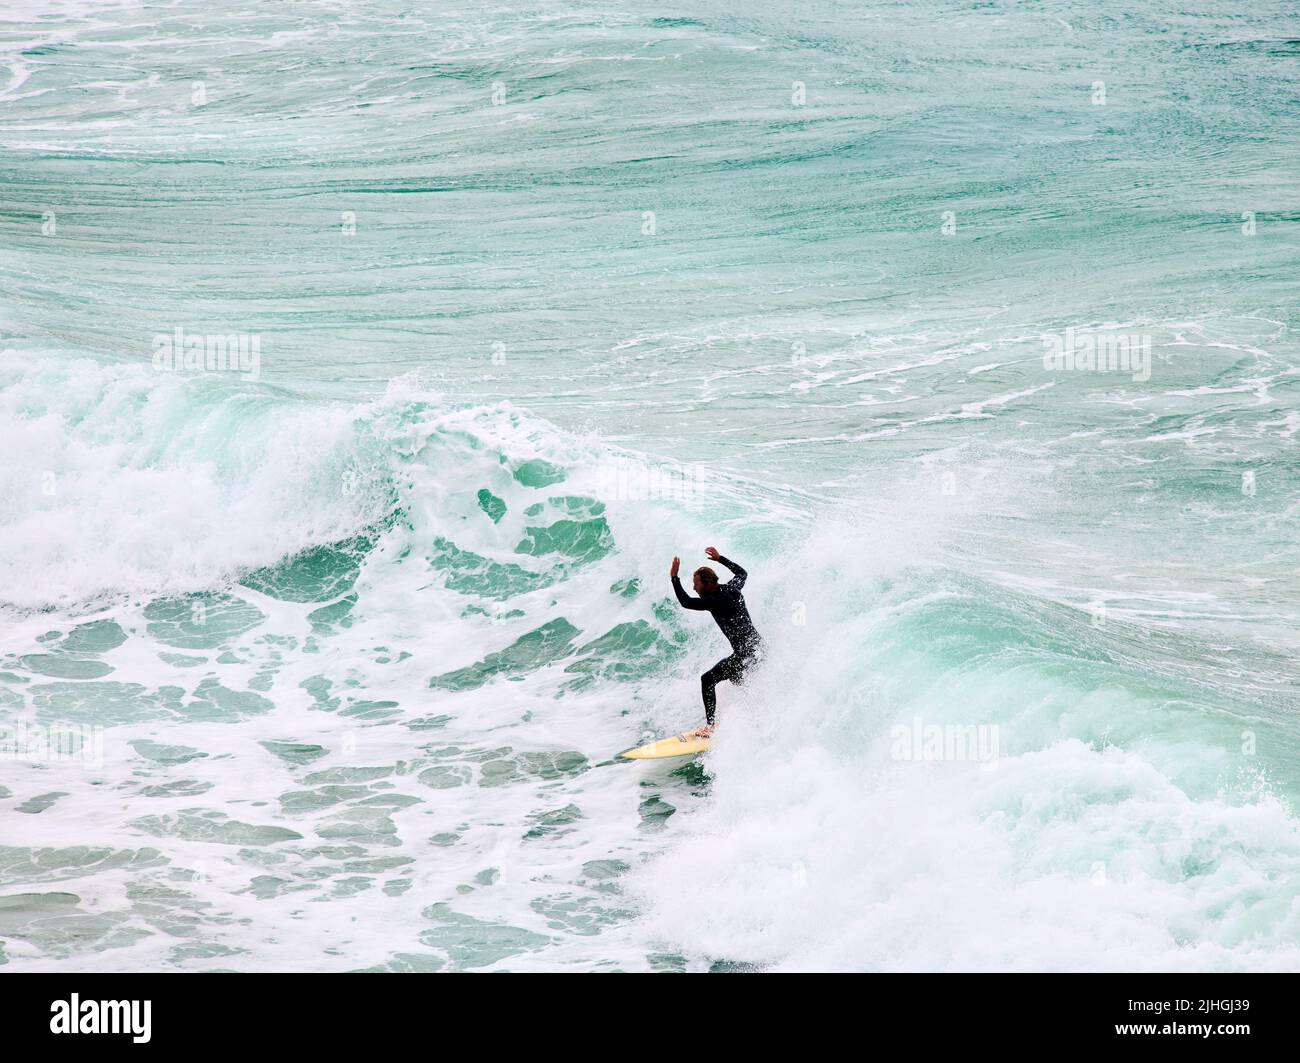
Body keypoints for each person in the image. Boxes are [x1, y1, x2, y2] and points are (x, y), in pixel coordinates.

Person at [669, 547, 763, 737]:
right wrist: (720, 559)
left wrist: (674, 578)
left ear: (708, 584)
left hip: (747, 653)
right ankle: (756, 713)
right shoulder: (731, 588)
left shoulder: (715, 600)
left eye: (696, 584)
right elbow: (742, 573)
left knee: (708, 679)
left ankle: (710, 726)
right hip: (756, 649)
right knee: (737, 678)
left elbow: (686, 602)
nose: (694, 588)